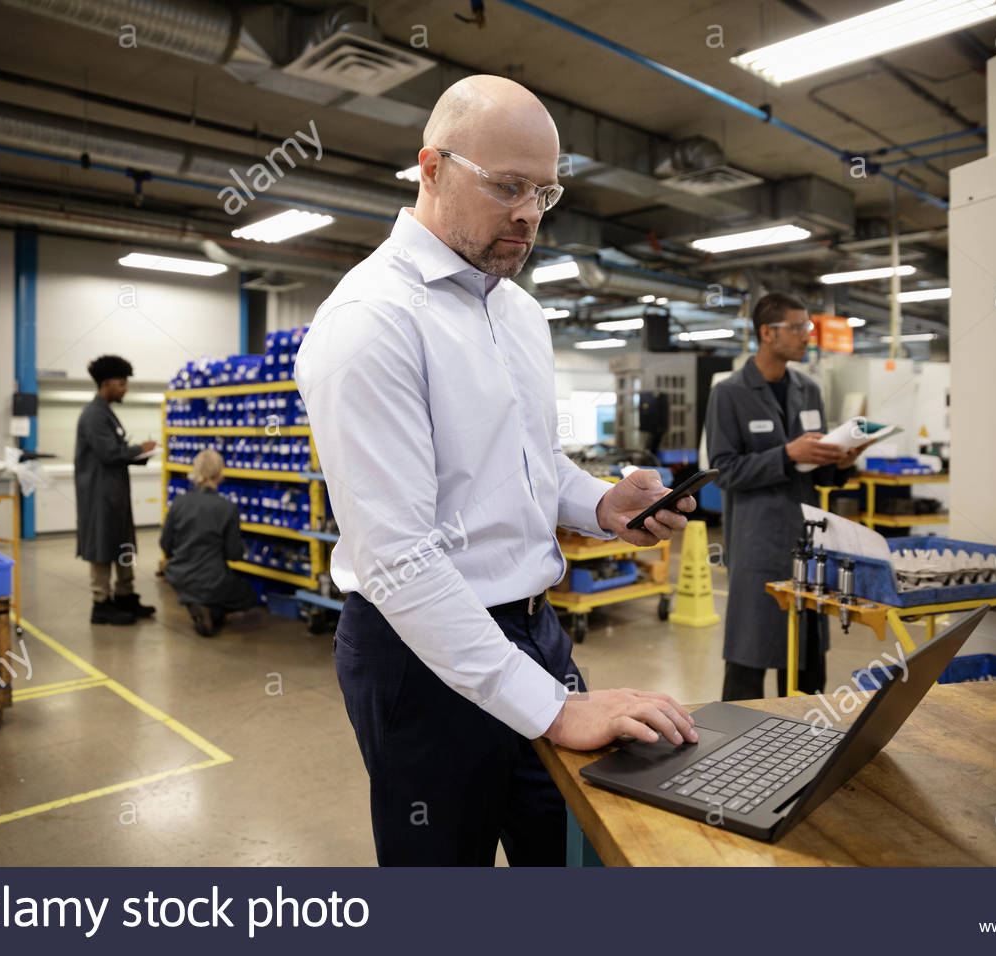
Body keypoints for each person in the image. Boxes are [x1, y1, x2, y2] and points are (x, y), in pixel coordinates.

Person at [296, 74, 700, 867]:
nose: (527, 213)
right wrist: (551, 711)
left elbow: (531, 463)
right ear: (432, 168)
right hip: (417, 658)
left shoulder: (516, 310)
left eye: (544, 193)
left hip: (533, 629)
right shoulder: (370, 321)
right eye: (508, 186)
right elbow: (398, 556)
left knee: (575, 857)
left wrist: (601, 505)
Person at [705, 292, 860, 701]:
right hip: (757, 547)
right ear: (767, 333)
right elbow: (725, 470)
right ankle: (736, 746)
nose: (807, 335)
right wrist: (786, 455)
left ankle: (808, 743)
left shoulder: (808, 390)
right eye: (798, 327)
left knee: (808, 660)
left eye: (807, 326)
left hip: (808, 543)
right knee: (749, 656)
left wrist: (842, 462)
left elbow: (820, 471)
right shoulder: (730, 393)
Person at [75, 354, 157, 625]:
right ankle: (101, 602)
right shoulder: (93, 416)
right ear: (107, 383)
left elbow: (117, 452)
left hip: (115, 492)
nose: (125, 389)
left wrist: (142, 454)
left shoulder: (107, 414)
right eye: (121, 384)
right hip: (99, 496)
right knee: (101, 545)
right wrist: (140, 449)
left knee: (122, 542)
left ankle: (125, 595)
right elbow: (110, 453)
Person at [160, 449, 259, 637]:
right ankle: (212, 610)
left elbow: (165, 544)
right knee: (248, 596)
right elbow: (234, 554)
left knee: (204, 587)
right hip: (212, 580)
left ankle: (197, 603)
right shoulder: (227, 508)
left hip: (178, 575)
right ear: (220, 474)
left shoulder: (179, 502)